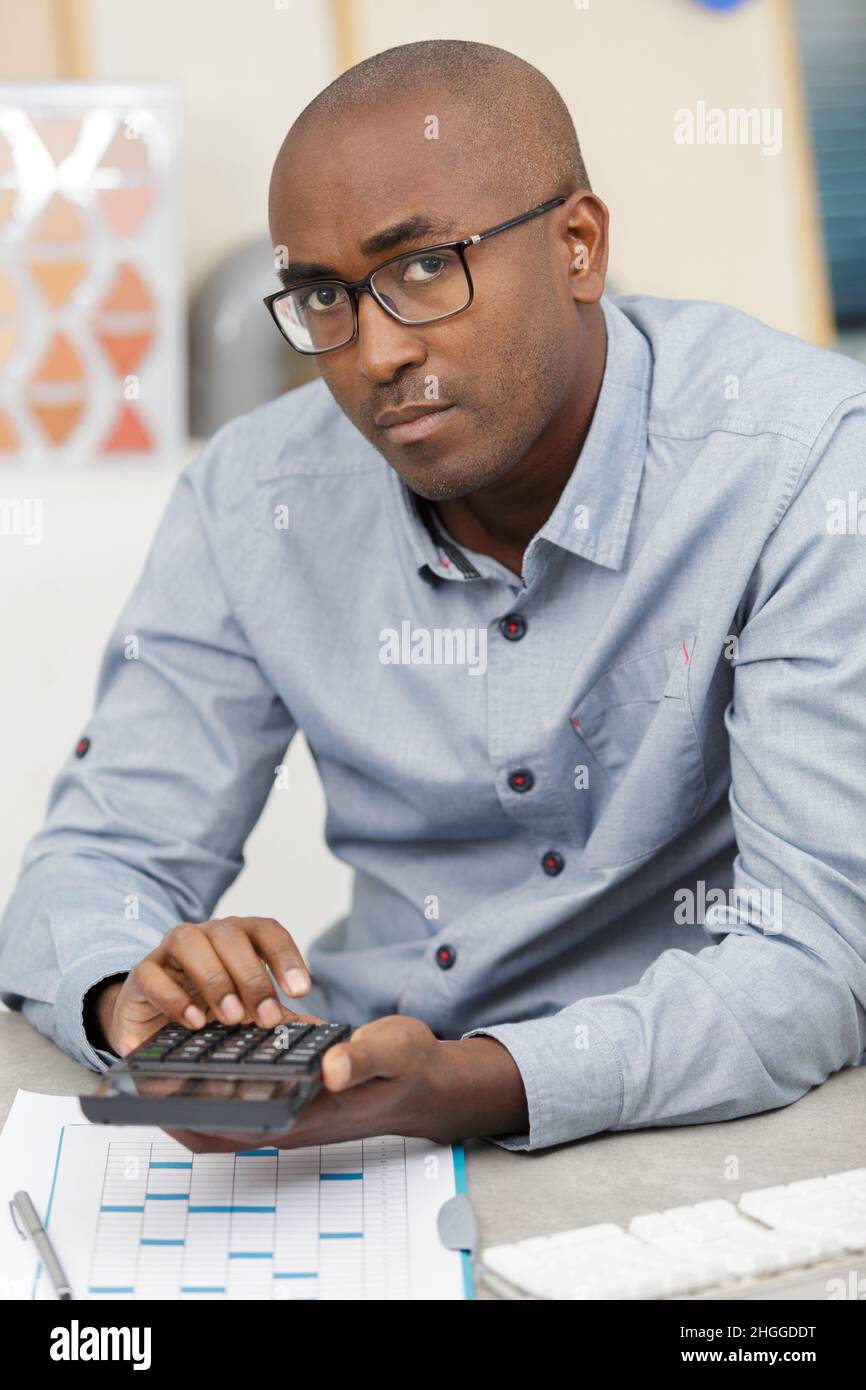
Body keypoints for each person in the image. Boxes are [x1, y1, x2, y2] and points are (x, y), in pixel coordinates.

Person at [2, 39, 865, 1156]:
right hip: (356, 1107)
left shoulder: (802, 464)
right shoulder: (251, 497)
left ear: (576, 246)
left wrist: (466, 1084)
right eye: (322, 295)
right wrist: (131, 994)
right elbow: (97, 860)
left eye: (420, 267)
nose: (373, 352)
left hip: (696, 1125)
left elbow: (811, 957)